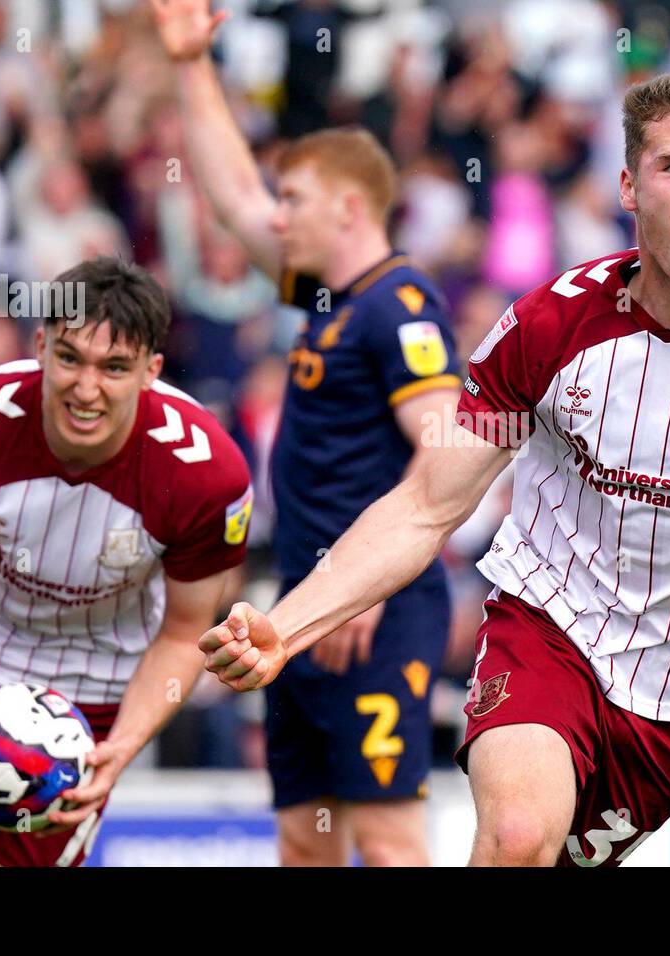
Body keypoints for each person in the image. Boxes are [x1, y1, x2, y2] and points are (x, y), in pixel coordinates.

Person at [199, 70, 670, 867]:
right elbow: (426, 507)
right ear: (628, 185)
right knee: (515, 838)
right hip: (547, 627)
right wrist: (287, 627)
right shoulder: (548, 322)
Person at [149, 0, 461, 866]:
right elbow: (236, 200)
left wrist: (368, 589)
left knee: (391, 842)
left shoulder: (400, 307)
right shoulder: (332, 301)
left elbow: (445, 455)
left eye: (297, 198)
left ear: (352, 206)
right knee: (302, 838)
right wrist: (189, 62)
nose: (279, 216)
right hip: (299, 605)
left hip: (371, 613)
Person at [0, 256, 253, 866]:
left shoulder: (208, 476)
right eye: (70, 358)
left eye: (114, 367)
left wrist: (121, 747)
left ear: (151, 371)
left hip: (91, 696)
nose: (86, 389)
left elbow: (182, 634)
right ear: (39, 346)